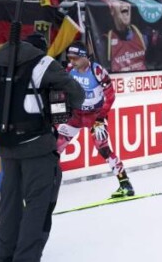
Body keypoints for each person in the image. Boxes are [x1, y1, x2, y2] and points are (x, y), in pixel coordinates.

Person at [0, 31, 84, 262]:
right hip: (37, 146)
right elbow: (76, 93)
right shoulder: (43, 64)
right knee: (39, 205)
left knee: (9, 203)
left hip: (7, 146)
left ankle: (5, 259)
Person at [58, 44, 135, 198]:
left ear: (86, 57)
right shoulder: (68, 69)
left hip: (95, 116)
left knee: (104, 149)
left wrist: (100, 117)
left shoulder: (97, 71)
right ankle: (41, 190)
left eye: (76, 58)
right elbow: (60, 90)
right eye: (70, 58)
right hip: (76, 116)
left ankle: (125, 184)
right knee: (55, 149)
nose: (72, 61)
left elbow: (110, 97)